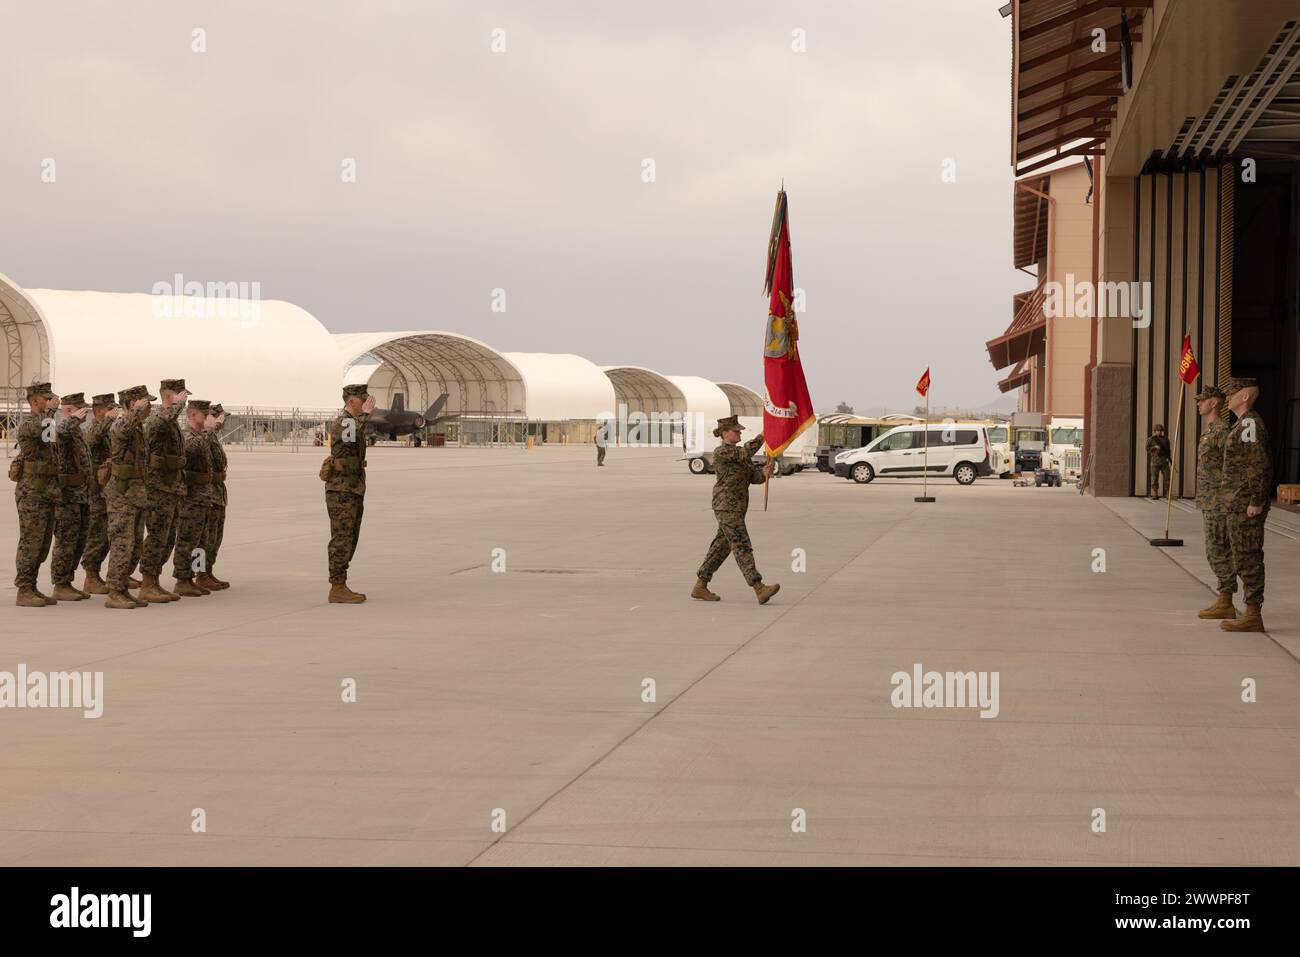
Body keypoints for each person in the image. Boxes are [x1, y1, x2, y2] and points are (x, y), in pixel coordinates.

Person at [692, 415, 780, 604]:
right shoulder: (722, 452)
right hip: (726, 506)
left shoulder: (739, 454)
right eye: (736, 431)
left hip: (737, 508)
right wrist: (764, 435)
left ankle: (700, 585)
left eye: (740, 430)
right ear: (725, 434)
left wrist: (764, 474)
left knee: (721, 548)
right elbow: (745, 453)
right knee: (741, 544)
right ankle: (759, 587)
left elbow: (752, 477)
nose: (739, 432)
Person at [1219, 377, 1273, 633]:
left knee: (1249, 558)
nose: (1227, 397)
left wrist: (1256, 500)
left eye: (1232, 393)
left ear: (1245, 396)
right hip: (1237, 505)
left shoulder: (1249, 423)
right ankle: (1250, 611)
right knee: (1242, 557)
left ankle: (1253, 614)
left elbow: (1259, 464)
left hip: (1246, 506)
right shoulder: (1241, 424)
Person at [322, 383, 375, 603]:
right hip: (341, 489)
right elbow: (352, 438)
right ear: (351, 401)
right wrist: (366, 417)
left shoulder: (352, 422)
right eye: (362, 399)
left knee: (351, 536)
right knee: (342, 538)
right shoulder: (346, 422)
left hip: (351, 487)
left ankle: (340, 583)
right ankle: (337, 587)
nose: (366, 403)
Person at [139, 378, 189, 602]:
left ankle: (155, 580)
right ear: (169, 396)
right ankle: (147, 582)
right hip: (158, 488)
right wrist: (176, 405)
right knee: (157, 536)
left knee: (168, 537)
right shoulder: (159, 417)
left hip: (171, 487)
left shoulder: (171, 420)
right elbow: (162, 422)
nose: (185, 399)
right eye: (180, 395)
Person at [105, 385, 154, 609]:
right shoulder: (121, 424)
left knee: (134, 545)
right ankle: (114, 591)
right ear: (133, 404)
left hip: (136, 493)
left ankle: (122, 587)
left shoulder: (138, 428)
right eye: (145, 403)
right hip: (121, 495)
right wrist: (135, 412)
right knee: (122, 544)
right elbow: (122, 430)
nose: (150, 407)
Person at [12, 381, 60, 607]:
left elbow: (50, 437)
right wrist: (51, 411)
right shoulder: (28, 423)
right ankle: (24, 589)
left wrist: (50, 412)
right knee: (31, 541)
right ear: (35, 401)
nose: (50, 401)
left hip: (46, 491)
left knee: (42, 542)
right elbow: (42, 433)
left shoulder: (45, 421)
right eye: (46, 398)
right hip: (31, 491)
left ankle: (32, 585)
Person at [1193, 386, 1236, 619]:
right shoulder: (1210, 430)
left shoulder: (1221, 431)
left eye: (1202, 400)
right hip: (1209, 500)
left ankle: (1226, 600)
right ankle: (1224, 598)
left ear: (1214, 403)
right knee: (1214, 549)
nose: (1198, 404)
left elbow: (1231, 466)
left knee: (1217, 550)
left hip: (1219, 502)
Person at [50, 392, 93, 601]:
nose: (85, 413)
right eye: (80, 409)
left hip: (82, 495)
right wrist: (73, 418)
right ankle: (60, 583)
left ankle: (68, 580)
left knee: (79, 540)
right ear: (69, 411)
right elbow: (60, 432)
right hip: (67, 497)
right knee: (66, 540)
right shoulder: (64, 429)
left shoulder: (78, 432)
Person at [172, 400, 216, 597]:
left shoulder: (200, 435)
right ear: (192, 416)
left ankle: (197, 574)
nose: (207, 419)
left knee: (201, 540)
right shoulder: (187, 436)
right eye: (204, 415)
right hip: (190, 498)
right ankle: (182, 578)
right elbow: (193, 449)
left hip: (203, 496)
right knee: (186, 539)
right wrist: (208, 431)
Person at [80, 393, 117, 595]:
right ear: (100, 410)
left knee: (107, 535)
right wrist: (109, 420)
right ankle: (90, 577)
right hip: (95, 492)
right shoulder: (92, 428)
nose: (114, 412)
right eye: (110, 409)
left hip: (108, 490)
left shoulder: (109, 430)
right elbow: (92, 439)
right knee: (96, 533)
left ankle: (99, 574)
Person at [200, 402, 231, 590]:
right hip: (204, 496)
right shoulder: (201, 436)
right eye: (220, 418)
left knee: (214, 538)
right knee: (201, 539)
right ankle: (198, 573)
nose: (223, 421)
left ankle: (207, 571)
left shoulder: (212, 437)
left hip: (217, 494)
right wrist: (211, 428)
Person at [1146, 424, 1171, 498]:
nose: (1159, 432)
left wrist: (1169, 459)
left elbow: (1168, 451)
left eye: (1160, 431)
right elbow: (1147, 449)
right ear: (1155, 431)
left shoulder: (1166, 439)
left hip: (1164, 461)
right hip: (1155, 461)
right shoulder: (1151, 439)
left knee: (1167, 478)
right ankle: (1155, 493)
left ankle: (1168, 494)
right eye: (1157, 431)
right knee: (1154, 478)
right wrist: (1154, 447)